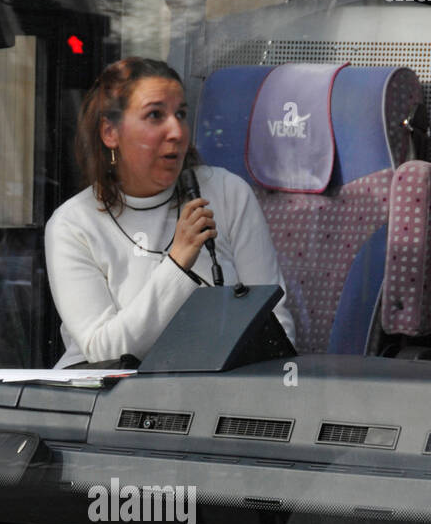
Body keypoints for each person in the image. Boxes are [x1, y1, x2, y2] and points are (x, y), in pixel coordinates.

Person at [45, 56, 296, 367]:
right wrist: (177, 264)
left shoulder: (228, 193)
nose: (176, 131)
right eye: (155, 115)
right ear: (110, 133)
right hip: (107, 400)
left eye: (181, 114)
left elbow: (274, 321)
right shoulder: (73, 224)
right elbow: (103, 351)